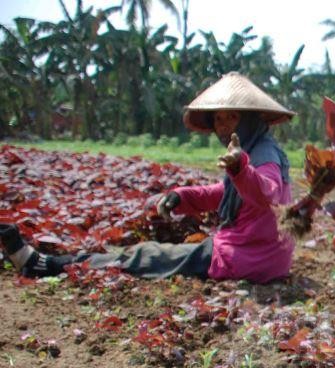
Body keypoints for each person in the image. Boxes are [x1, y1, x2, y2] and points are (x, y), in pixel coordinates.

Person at [1, 72, 294, 283]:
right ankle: (57, 263)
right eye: (219, 118)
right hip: (262, 254)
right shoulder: (258, 148)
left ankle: (45, 265)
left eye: (233, 117)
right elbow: (230, 192)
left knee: (144, 255)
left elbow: (268, 193)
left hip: (249, 258)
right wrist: (184, 196)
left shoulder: (262, 154)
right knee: (150, 253)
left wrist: (240, 167)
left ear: (252, 117)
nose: (224, 125)